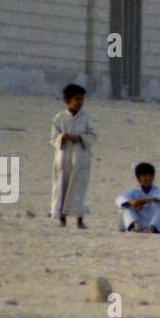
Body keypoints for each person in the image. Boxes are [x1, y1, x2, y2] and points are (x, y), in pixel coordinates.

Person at [50, 83, 95, 229]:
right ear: (68, 100)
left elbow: (93, 135)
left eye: (82, 99)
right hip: (63, 157)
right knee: (61, 186)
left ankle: (79, 220)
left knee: (79, 188)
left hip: (81, 157)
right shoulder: (59, 118)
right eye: (77, 99)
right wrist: (63, 137)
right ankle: (61, 218)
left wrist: (81, 138)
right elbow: (53, 138)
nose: (80, 102)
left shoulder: (86, 118)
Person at [116, 163, 160, 234]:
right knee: (125, 206)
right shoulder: (134, 191)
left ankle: (151, 228)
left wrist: (150, 200)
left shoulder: (159, 190)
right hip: (139, 221)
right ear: (138, 178)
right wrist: (134, 203)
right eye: (144, 175)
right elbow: (120, 198)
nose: (148, 178)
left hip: (155, 224)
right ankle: (136, 226)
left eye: (150, 176)